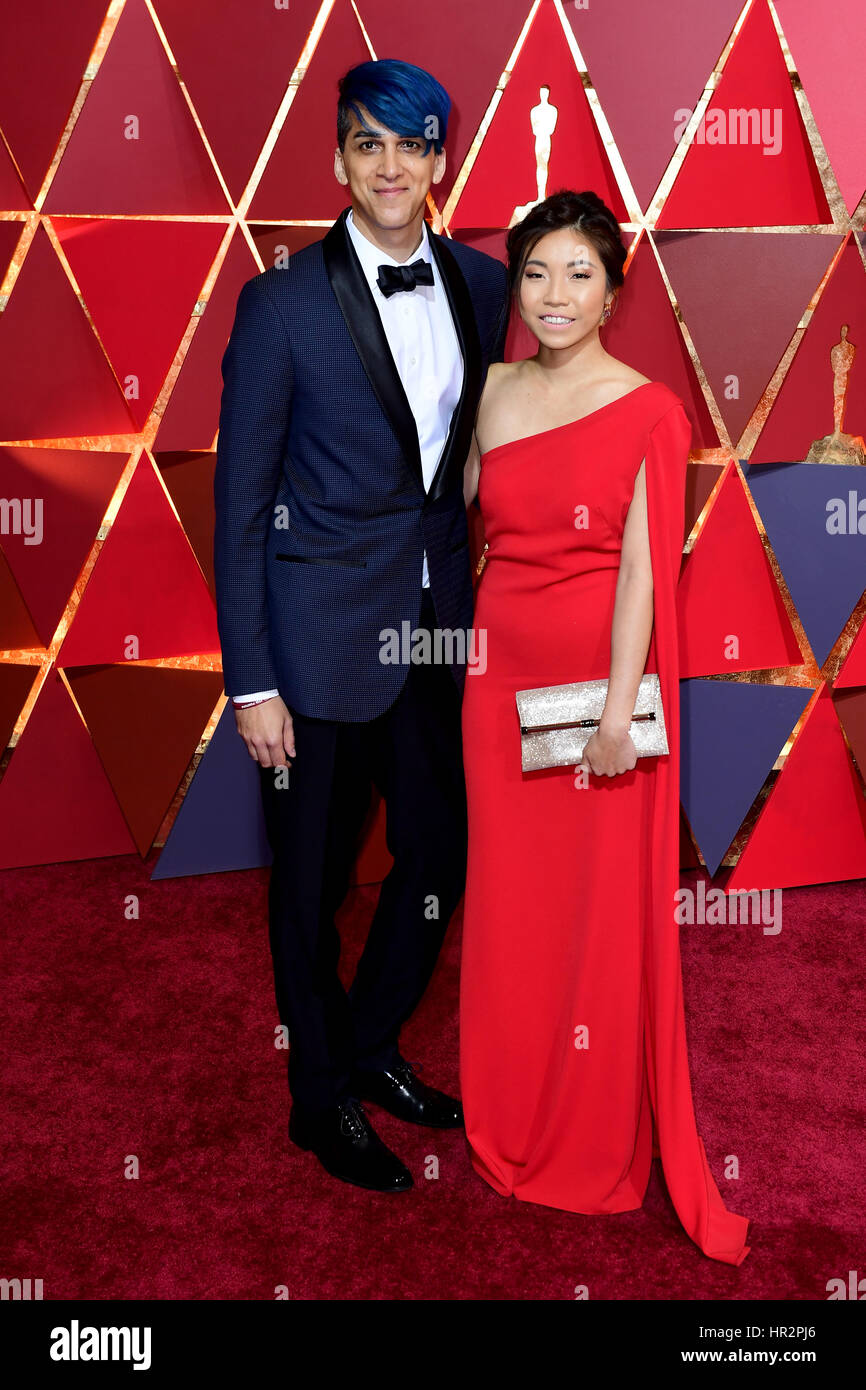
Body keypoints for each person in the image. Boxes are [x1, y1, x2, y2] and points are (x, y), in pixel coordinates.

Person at [213, 59, 508, 1193]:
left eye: (413, 145)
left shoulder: (483, 289)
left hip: (434, 632)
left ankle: (373, 1046)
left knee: (439, 852)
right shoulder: (279, 301)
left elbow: (475, 456)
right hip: (312, 643)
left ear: (439, 161)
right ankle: (316, 1095)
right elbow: (239, 504)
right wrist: (251, 681)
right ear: (338, 159)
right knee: (307, 886)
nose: (391, 166)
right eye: (368, 145)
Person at [459, 189, 751, 1265]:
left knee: (593, 913)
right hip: (494, 683)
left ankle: (586, 1132)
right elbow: (463, 535)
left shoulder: (649, 408)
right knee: (508, 903)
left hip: (592, 691)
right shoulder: (486, 390)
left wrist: (622, 709)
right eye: (535, 271)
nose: (552, 294)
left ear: (612, 291)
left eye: (577, 273)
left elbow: (641, 568)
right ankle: (509, 1110)